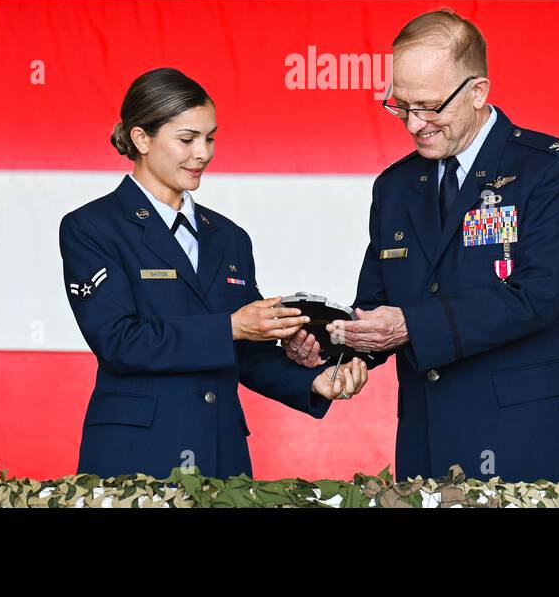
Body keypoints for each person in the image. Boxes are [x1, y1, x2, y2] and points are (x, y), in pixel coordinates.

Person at [283, 10, 559, 482]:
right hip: (428, 439)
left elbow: (539, 298)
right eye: (401, 106)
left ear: (478, 92)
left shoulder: (551, 169)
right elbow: (377, 308)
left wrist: (410, 326)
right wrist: (334, 347)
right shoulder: (394, 186)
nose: (414, 125)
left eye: (430, 107)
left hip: (529, 439)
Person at [60, 67, 369, 480]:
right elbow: (120, 342)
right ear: (141, 138)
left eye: (210, 138)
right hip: (134, 457)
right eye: (187, 139)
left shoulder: (229, 237)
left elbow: (246, 351)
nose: (202, 153)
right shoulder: (91, 227)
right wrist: (232, 326)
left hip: (222, 456)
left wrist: (312, 382)